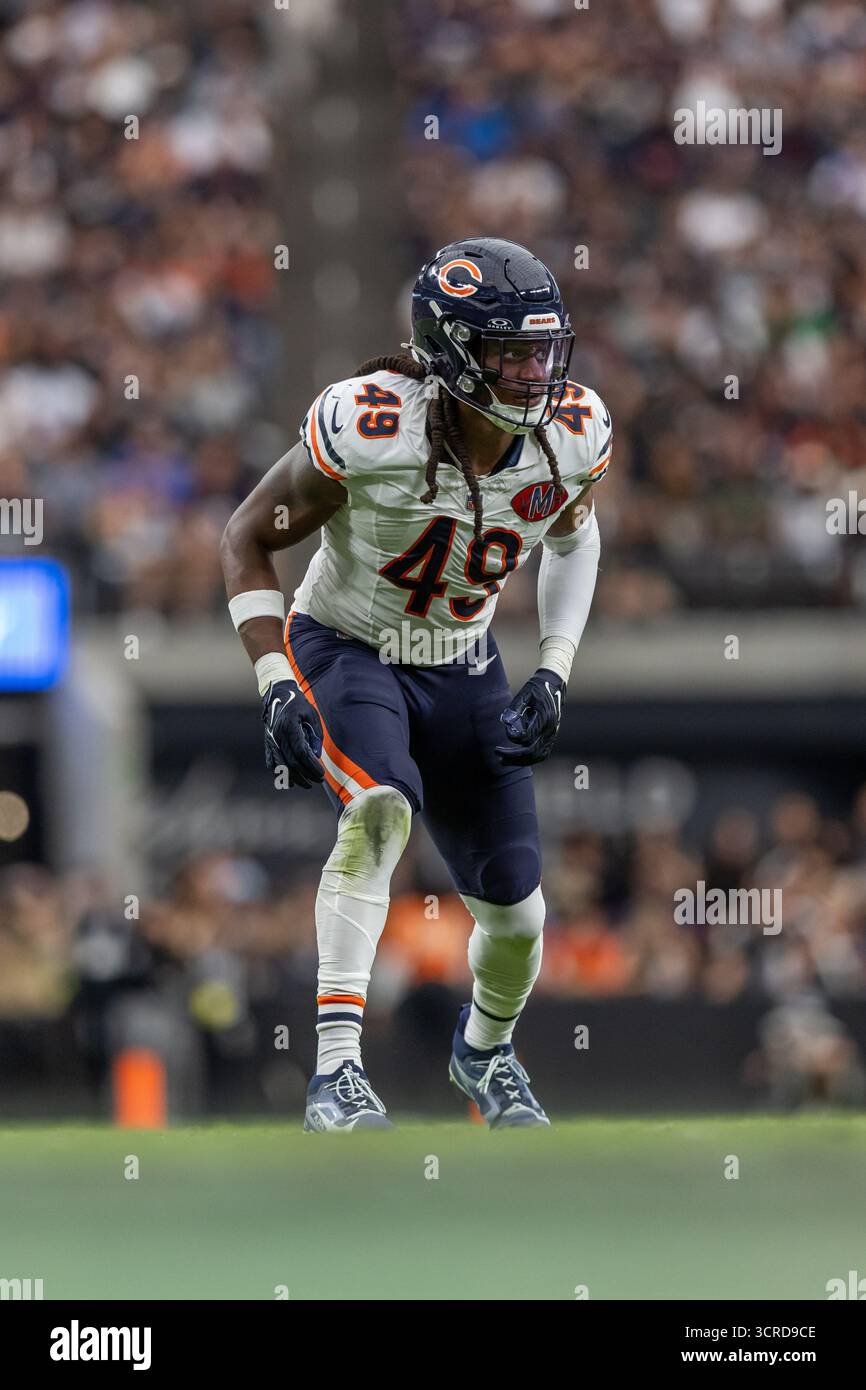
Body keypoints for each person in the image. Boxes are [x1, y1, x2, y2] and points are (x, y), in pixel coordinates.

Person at [220, 237, 611, 1129]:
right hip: (348, 644)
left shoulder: (571, 432)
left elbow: (575, 538)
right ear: (451, 353)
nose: (534, 374)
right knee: (379, 811)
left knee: (518, 916)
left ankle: (483, 1054)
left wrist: (554, 668)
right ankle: (336, 1073)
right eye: (511, 353)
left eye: (544, 351)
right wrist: (275, 677)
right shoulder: (368, 424)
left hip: (465, 660)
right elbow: (247, 534)